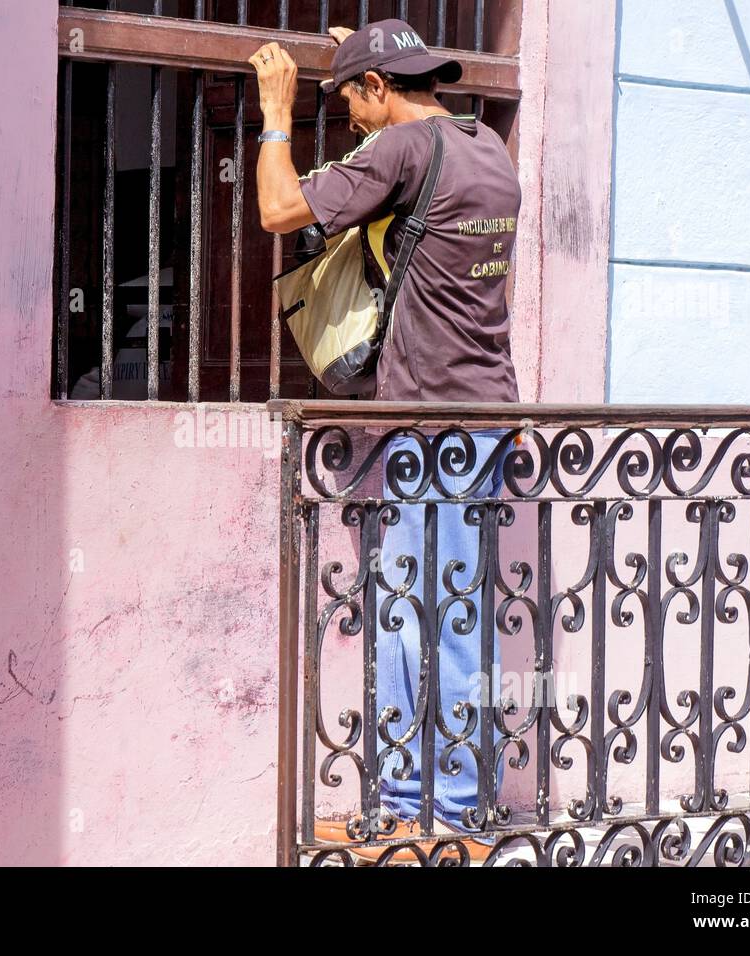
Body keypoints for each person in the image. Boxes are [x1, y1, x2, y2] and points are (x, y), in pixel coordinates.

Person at [250, 18, 522, 863]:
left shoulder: (404, 152)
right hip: (488, 416)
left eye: (355, 101)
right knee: (462, 614)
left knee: (409, 615)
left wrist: (275, 115)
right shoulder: (487, 148)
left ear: (379, 88)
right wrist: (364, 49)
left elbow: (278, 208)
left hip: (427, 422)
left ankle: (413, 809)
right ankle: (462, 807)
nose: (355, 121)